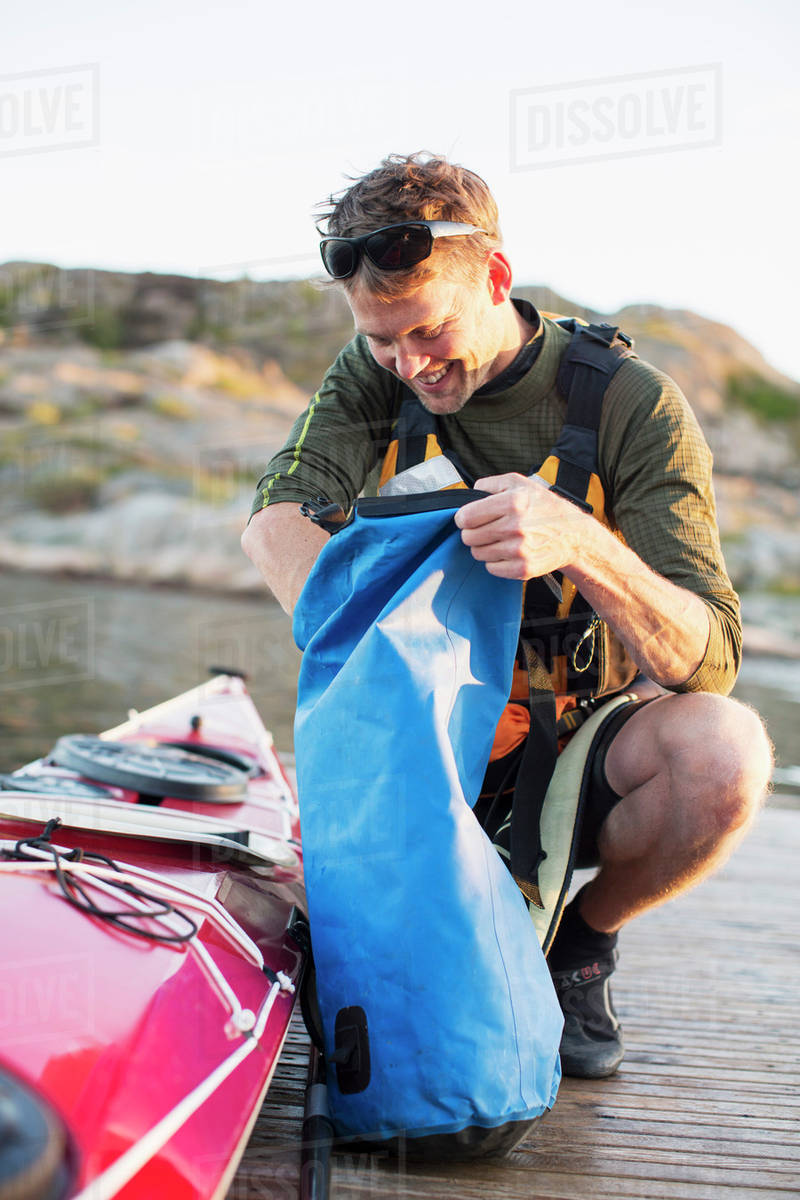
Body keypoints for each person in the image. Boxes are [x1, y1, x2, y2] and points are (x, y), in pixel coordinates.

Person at [242, 153, 772, 1079]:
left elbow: (711, 656)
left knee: (725, 754)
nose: (409, 365)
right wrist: (371, 659)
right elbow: (274, 520)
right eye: (381, 340)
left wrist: (582, 542)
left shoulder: (635, 403)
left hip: (584, 743)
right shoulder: (375, 372)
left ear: (495, 275)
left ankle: (583, 944)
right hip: (429, 727)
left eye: (429, 330)